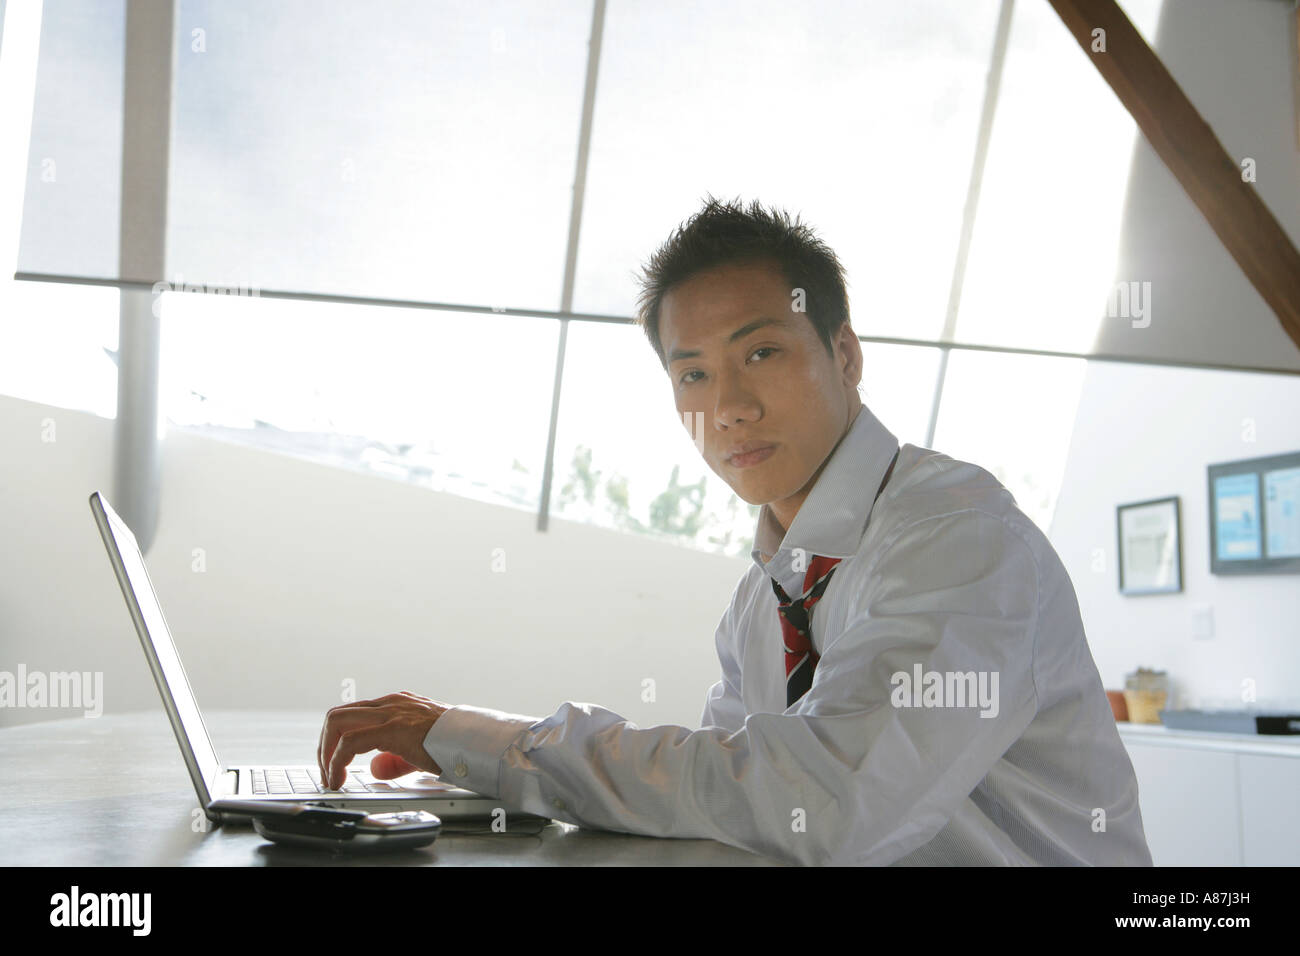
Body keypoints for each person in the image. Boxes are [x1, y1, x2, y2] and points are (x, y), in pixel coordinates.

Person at [317, 196, 1153, 866]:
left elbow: (824, 806)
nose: (728, 408)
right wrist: (482, 777)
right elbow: (725, 798)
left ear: (845, 353)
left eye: (761, 354)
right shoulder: (767, 596)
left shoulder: (958, 538)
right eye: (693, 373)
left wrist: (496, 745)